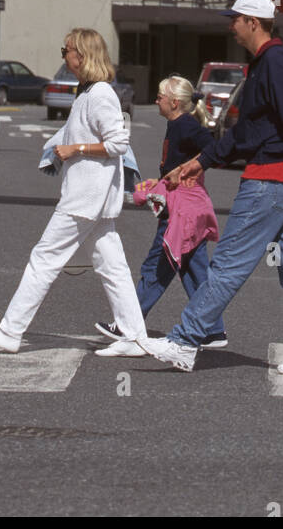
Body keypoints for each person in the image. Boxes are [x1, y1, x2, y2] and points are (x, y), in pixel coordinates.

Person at [136, 0, 283, 374]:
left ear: (253, 22)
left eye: (236, 18)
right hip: (281, 182)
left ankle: (185, 340)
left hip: (269, 182)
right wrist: (202, 161)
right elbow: (248, 132)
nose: (231, 25)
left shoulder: (275, 63)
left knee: (229, 263)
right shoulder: (266, 63)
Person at [0, 28, 146, 354]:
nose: (63, 56)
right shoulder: (87, 92)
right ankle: (135, 336)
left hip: (85, 197)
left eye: (65, 50)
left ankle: (10, 331)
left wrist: (75, 149)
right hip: (91, 195)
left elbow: (119, 142)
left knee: (44, 260)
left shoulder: (99, 95)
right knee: (112, 266)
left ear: (81, 54)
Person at [94, 76, 226, 358]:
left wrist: (190, 167)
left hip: (182, 211)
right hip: (186, 208)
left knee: (156, 268)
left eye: (160, 96)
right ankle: (213, 329)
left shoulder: (187, 125)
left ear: (174, 102)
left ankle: (128, 324)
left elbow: (216, 148)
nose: (156, 100)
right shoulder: (178, 124)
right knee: (194, 270)